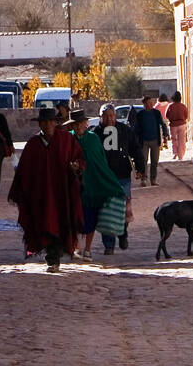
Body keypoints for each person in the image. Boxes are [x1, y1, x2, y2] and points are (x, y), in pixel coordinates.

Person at [8, 107, 84, 272]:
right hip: (40, 195)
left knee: (61, 222)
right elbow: (23, 171)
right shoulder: (33, 144)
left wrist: (76, 166)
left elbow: (79, 157)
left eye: (51, 121)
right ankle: (52, 256)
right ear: (40, 124)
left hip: (62, 193)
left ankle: (55, 255)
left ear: (56, 123)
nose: (48, 125)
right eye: (44, 122)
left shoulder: (66, 140)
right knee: (45, 223)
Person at [71, 110, 126, 259]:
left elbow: (100, 162)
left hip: (93, 186)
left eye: (80, 124)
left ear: (85, 124)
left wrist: (109, 181)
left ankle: (87, 249)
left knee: (91, 217)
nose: (78, 127)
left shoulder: (93, 139)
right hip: (74, 187)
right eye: (75, 124)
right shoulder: (68, 139)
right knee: (74, 217)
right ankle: (76, 247)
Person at [96, 103, 137, 254]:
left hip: (122, 176)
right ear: (100, 117)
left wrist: (140, 167)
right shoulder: (95, 133)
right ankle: (108, 244)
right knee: (106, 212)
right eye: (106, 116)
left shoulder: (125, 131)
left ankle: (123, 233)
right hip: (103, 179)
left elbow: (135, 149)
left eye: (112, 115)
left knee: (123, 210)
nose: (109, 119)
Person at [133, 95, 169, 187]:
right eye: (148, 103)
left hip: (155, 140)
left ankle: (153, 179)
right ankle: (143, 179)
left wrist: (165, 134)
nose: (151, 104)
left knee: (154, 161)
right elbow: (136, 128)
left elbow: (162, 123)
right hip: (144, 141)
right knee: (143, 160)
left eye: (151, 103)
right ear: (144, 104)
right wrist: (133, 139)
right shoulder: (140, 115)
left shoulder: (156, 113)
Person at [165, 91, 189, 160]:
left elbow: (167, 115)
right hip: (182, 124)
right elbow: (186, 115)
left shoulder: (170, 106)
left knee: (174, 139)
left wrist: (171, 118)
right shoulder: (183, 106)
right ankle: (181, 155)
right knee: (182, 139)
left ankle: (175, 153)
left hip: (173, 124)